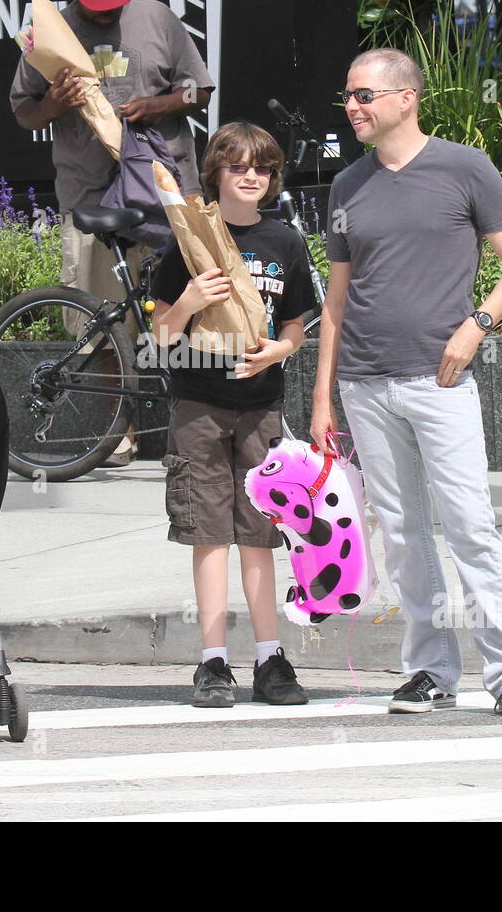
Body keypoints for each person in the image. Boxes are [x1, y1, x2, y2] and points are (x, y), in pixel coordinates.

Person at [311, 48, 502, 720]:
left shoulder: (464, 167)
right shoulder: (346, 187)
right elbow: (336, 299)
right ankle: (429, 670)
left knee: (471, 523)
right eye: (349, 96)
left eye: (364, 95)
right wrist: (323, 396)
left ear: (406, 97)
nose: (352, 107)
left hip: (440, 380)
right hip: (363, 382)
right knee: (404, 535)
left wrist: (476, 325)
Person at [10, 0, 215, 464]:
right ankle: (117, 433)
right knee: (102, 319)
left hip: (163, 188)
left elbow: (200, 92)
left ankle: (193, 427)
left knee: (188, 311)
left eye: (114, 3)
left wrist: (158, 104)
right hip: (90, 194)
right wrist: (54, 102)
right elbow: (24, 114)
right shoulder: (49, 33)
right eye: (95, 8)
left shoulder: (157, 17)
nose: (107, 13)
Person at [151, 122, 315, 707]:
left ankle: (270, 657)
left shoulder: (284, 242)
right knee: (208, 532)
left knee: (261, 534)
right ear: (215, 172)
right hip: (198, 405)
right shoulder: (189, 239)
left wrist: (281, 349)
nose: (252, 176)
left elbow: (296, 319)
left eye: (264, 168)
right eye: (239, 166)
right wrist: (192, 301)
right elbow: (161, 334)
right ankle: (213, 661)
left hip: (261, 407)